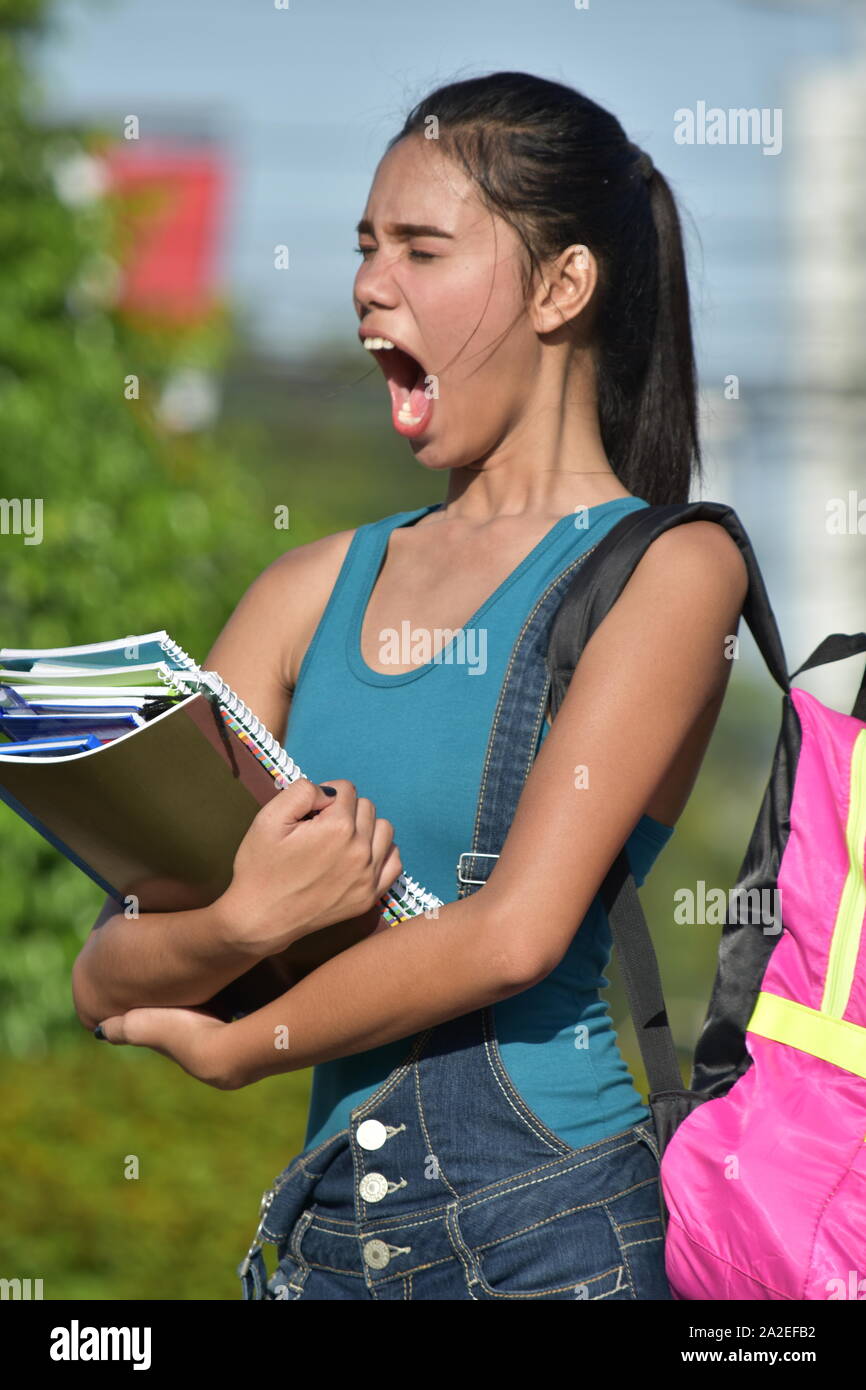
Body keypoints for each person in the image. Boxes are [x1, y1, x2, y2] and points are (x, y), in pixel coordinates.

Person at [74, 71, 749, 1300]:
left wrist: (242, 1040)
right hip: (325, 1246)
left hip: (553, 1238)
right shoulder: (304, 589)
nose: (367, 285)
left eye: (421, 249)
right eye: (363, 247)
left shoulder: (669, 569)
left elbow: (511, 935)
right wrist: (237, 926)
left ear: (562, 287)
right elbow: (104, 968)